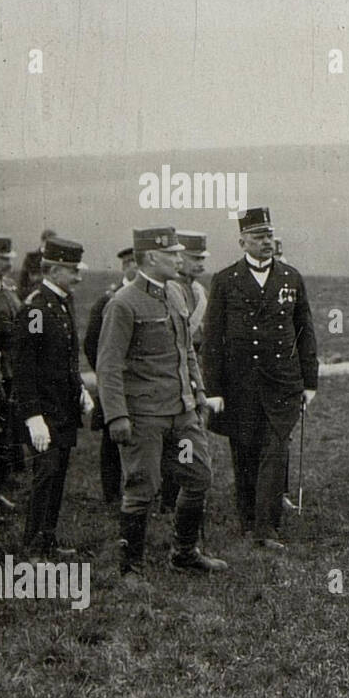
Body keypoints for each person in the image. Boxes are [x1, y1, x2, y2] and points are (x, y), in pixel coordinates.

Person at [98, 227, 226, 582]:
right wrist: (117, 416)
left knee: (198, 476)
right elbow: (108, 366)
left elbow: (186, 350)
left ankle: (184, 554)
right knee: (142, 487)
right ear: (152, 258)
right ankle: (130, 569)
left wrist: (198, 391)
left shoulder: (174, 294)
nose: (178, 259)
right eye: (172, 254)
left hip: (181, 413)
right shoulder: (123, 303)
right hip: (144, 417)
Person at [200, 207, 319, 550]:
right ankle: (248, 519)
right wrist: (214, 388)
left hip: (282, 383)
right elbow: (212, 338)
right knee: (245, 450)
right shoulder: (225, 280)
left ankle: (267, 529)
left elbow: (304, 330)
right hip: (241, 385)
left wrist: (309, 381)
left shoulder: (290, 278)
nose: (267, 241)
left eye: (269, 235)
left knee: (274, 450)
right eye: (258, 236)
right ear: (242, 242)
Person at [14, 236, 93, 557]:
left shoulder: (62, 302)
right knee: (45, 476)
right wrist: (33, 417)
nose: (78, 276)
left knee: (57, 475)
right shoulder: (36, 307)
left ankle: (47, 539)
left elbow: (66, 357)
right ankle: (33, 547)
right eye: (73, 270)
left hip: (62, 409)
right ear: (56, 269)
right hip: (44, 413)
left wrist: (80, 391)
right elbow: (25, 368)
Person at [84, 246, 138, 505]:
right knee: (111, 439)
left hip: (139, 384)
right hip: (115, 382)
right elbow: (92, 343)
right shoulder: (109, 299)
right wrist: (106, 376)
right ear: (125, 266)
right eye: (133, 263)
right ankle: (112, 493)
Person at [160, 231, 208, 514]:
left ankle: (182, 494)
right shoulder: (171, 290)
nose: (199, 264)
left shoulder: (200, 292)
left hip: (192, 370)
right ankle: (169, 498)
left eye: (202, 258)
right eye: (194, 258)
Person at [0, 236, 24, 513]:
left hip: (12, 370)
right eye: (3, 258)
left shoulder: (8, 289)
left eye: (10, 258)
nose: (9, 262)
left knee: (6, 433)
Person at [15, 228, 55, 300]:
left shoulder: (55, 259)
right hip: (33, 294)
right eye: (49, 242)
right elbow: (24, 280)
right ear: (43, 241)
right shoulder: (31, 258)